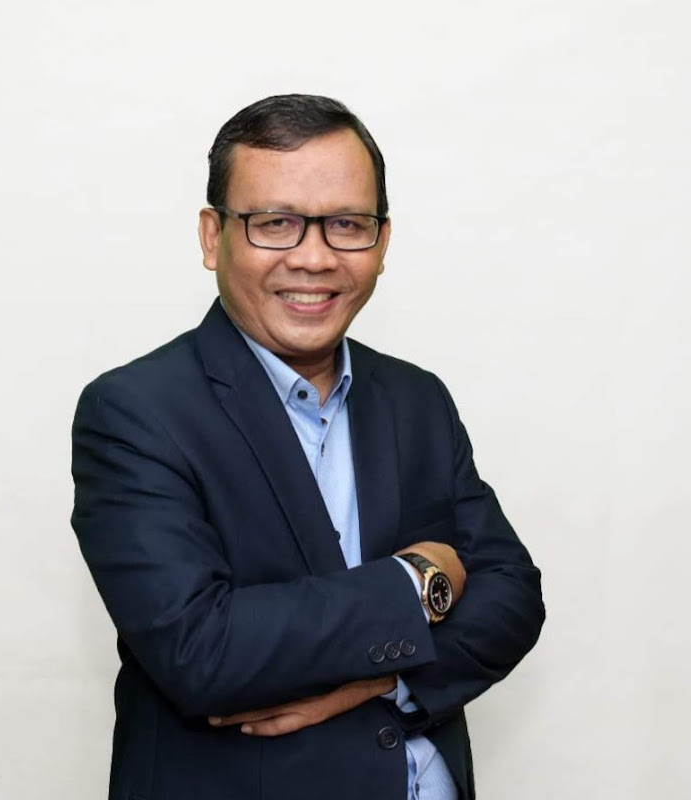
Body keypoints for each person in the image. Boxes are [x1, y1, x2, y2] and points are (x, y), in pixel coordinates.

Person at [70, 94, 545, 800]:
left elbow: (513, 595)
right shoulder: (135, 412)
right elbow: (202, 651)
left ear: (383, 241)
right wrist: (417, 579)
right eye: (275, 223)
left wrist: (383, 679)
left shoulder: (416, 398)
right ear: (212, 236)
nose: (314, 257)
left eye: (346, 224)